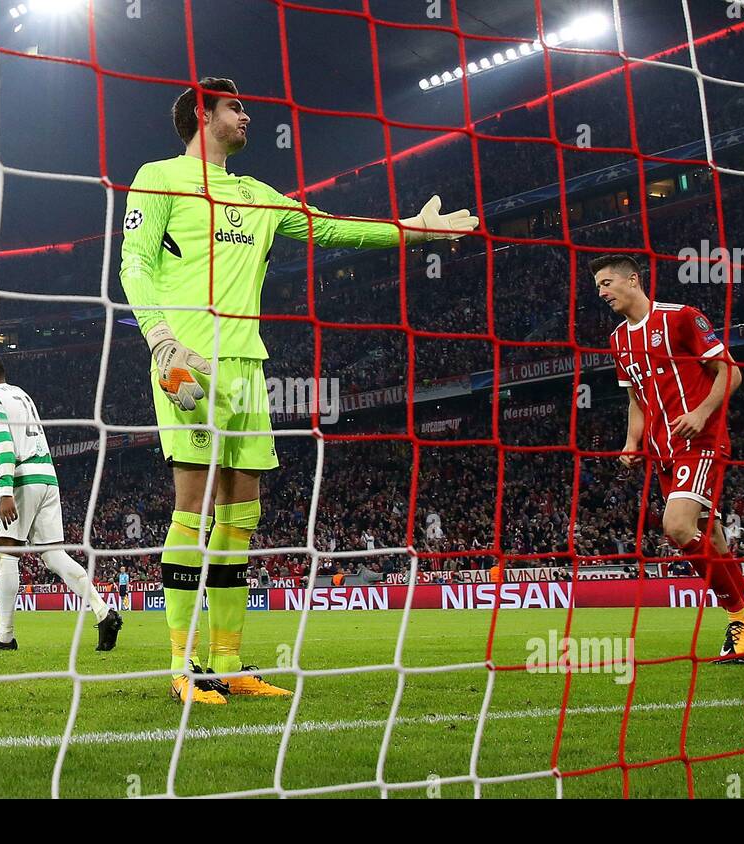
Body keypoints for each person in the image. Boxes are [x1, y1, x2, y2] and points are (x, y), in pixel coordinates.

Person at [119, 76, 477, 704]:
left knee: (240, 516)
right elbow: (134, 263)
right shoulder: (159, 176)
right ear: (204, 114)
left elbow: (331, 229)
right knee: (192, 507)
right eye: (236, 106)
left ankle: (225, 661)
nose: (247, 116)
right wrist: (161, 341)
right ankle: (180, 664)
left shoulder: (256, 194)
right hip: (188, 360)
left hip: (248, 365)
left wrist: (411, 231)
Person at [592, 254, 744, 665]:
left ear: (632, 280)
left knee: (676, 526)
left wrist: (702, 412)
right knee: (715, 540)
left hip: (700, 440)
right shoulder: (618, 340)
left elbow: (731, 371)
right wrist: (632, 441)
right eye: (598, 286)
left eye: (606, 283)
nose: (601, 293)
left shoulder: (682, 318)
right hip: (663, 452)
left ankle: (740, 617)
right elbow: (635, 396)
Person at [0, 355, 123, 652]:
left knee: (6, 554)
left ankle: (4, 636)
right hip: (48, 477)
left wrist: (6, 490)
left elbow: (5, 445)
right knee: (53, 555)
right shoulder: (22, 394)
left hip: (23, 478)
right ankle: (103, 613)